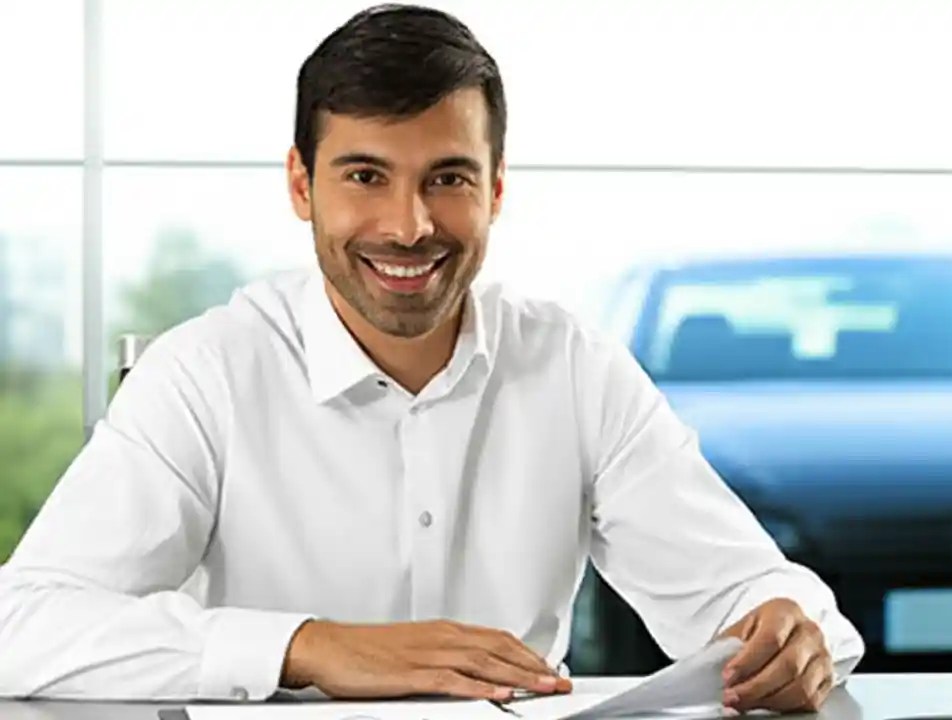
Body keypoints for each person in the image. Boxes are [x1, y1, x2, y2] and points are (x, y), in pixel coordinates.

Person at [0, 3, 862, 713]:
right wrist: (312, 648)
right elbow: (23, 626)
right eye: (366, 176)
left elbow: (749, 598)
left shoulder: (572, 366)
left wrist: (788, 630)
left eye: (446, 178)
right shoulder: (204, 372)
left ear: (495, 189)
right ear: (302, 185)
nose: (409, 226)